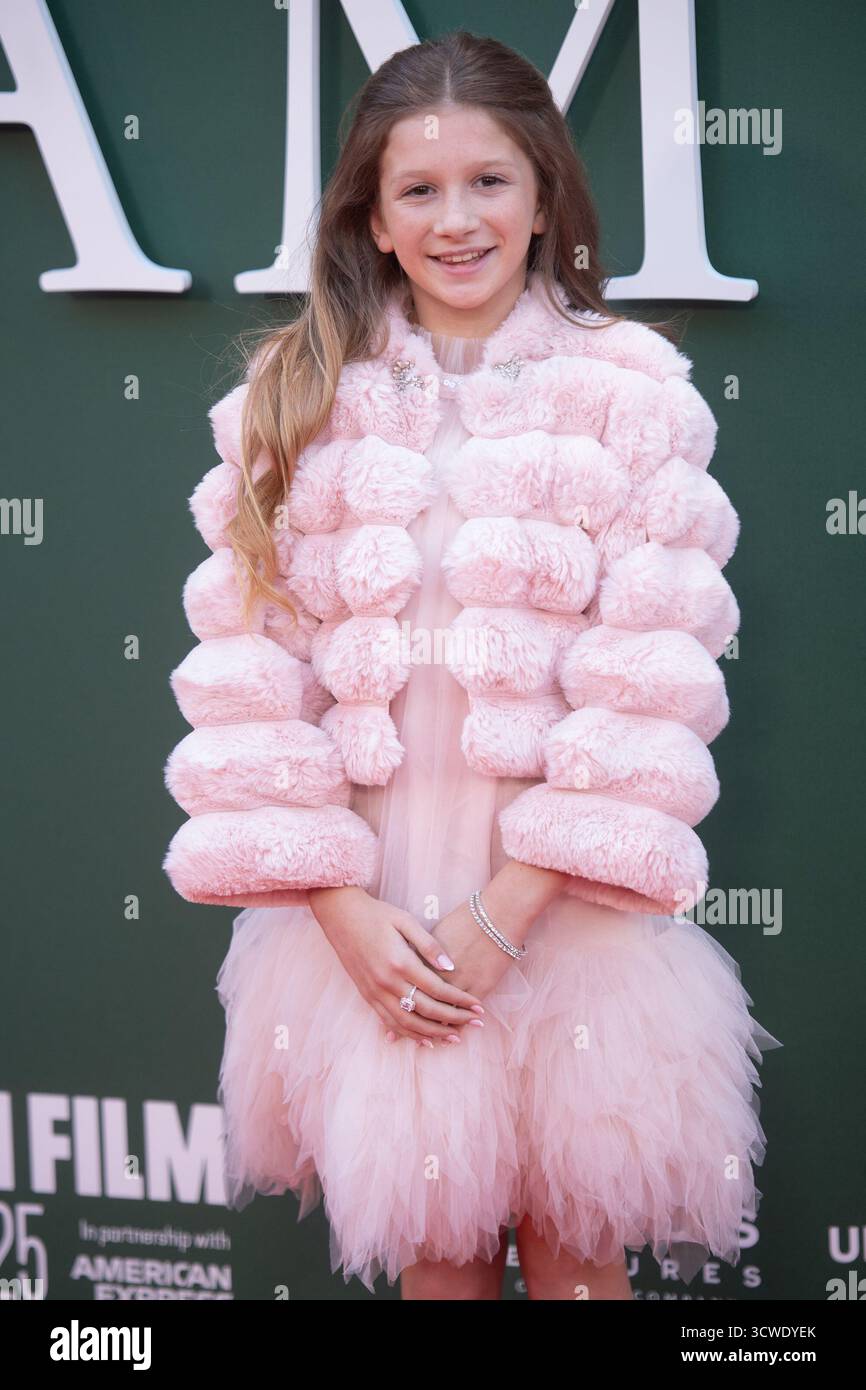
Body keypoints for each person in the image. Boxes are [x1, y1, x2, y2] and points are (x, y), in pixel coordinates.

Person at [162, 29, 782, 1301]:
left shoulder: (633, 395)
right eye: (419, 190)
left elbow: (648, 685)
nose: (458, 220)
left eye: (489, 181)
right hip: (373, 920)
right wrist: (341, 911)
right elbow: (245, 677)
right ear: (372, 219)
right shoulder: (292, 397)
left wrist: (503, 916)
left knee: (572, 1259)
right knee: (437, 1264)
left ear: (544, 192)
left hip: (564, 915)